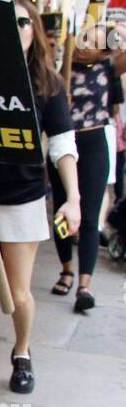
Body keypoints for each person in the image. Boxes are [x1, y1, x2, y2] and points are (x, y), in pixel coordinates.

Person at [0, 0, 80, 391]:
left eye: (22, 22)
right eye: (7, 22)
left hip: (22, 195)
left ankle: (22, 352)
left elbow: (63, 143)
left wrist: (72, 198)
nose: (15, 28)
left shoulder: (46, 81)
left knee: (18, 292)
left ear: (33, 30)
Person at [50, 21, 126, 310]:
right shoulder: (63, 71)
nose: (84, 46)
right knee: (61, 209)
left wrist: (115, 28)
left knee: (90, 215)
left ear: (103, 50)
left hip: (93, 141)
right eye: (83, 38)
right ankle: (67, 269)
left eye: (92, 42)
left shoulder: (108, 70)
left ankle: (85, 283)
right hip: (64, 141)